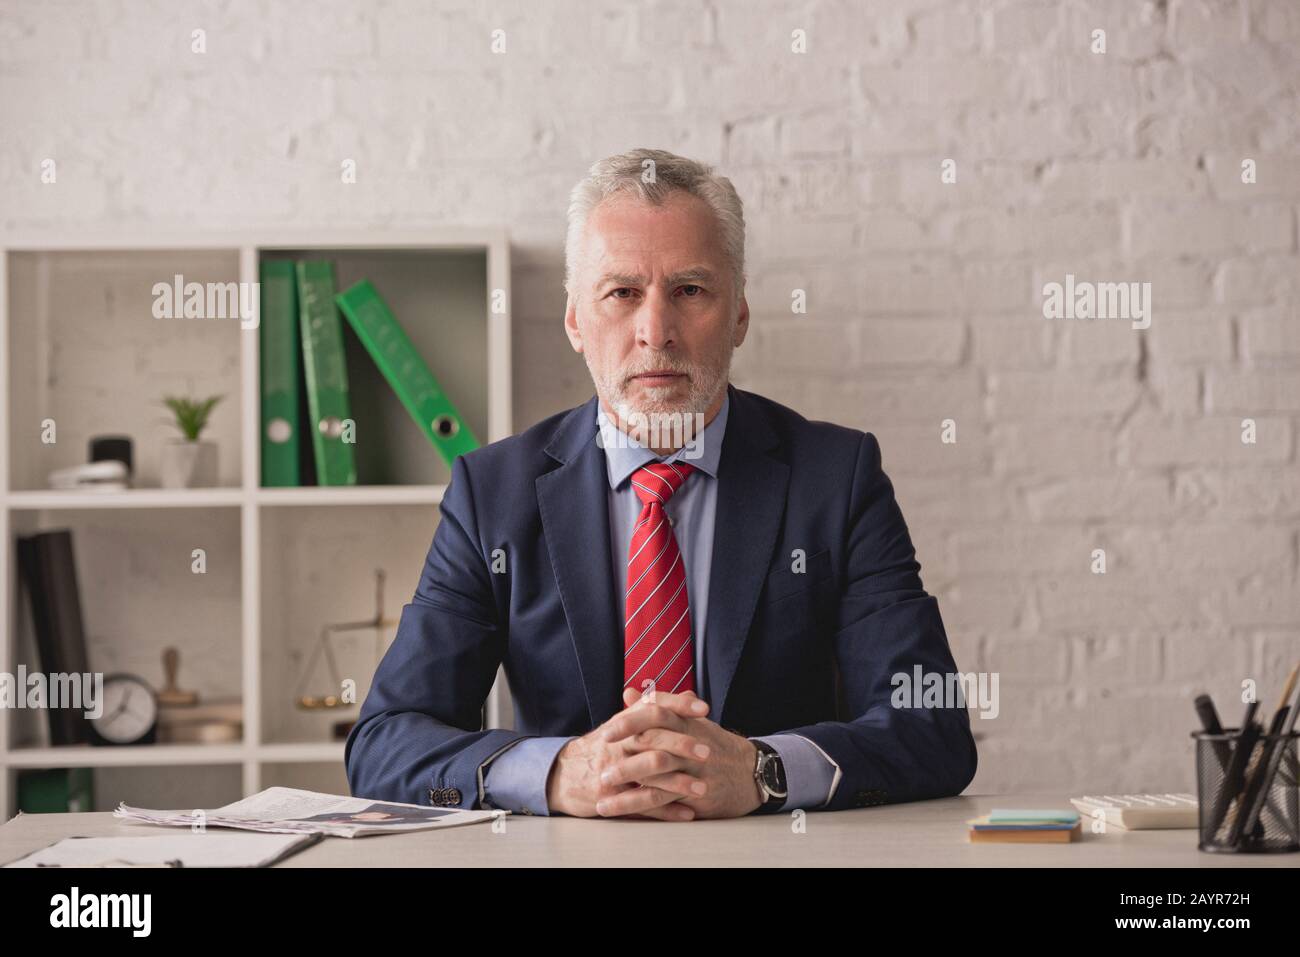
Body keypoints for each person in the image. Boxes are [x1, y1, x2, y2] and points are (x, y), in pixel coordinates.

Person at [346, 147, 977, 820]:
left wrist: (763, 770)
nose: (656, 332)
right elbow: (385, 744)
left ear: (738, 313)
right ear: (574, 321)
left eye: (690, 290)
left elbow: (931, 729)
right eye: (622, 293)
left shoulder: (837, 478)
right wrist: (557, 772)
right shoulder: (491, 492)